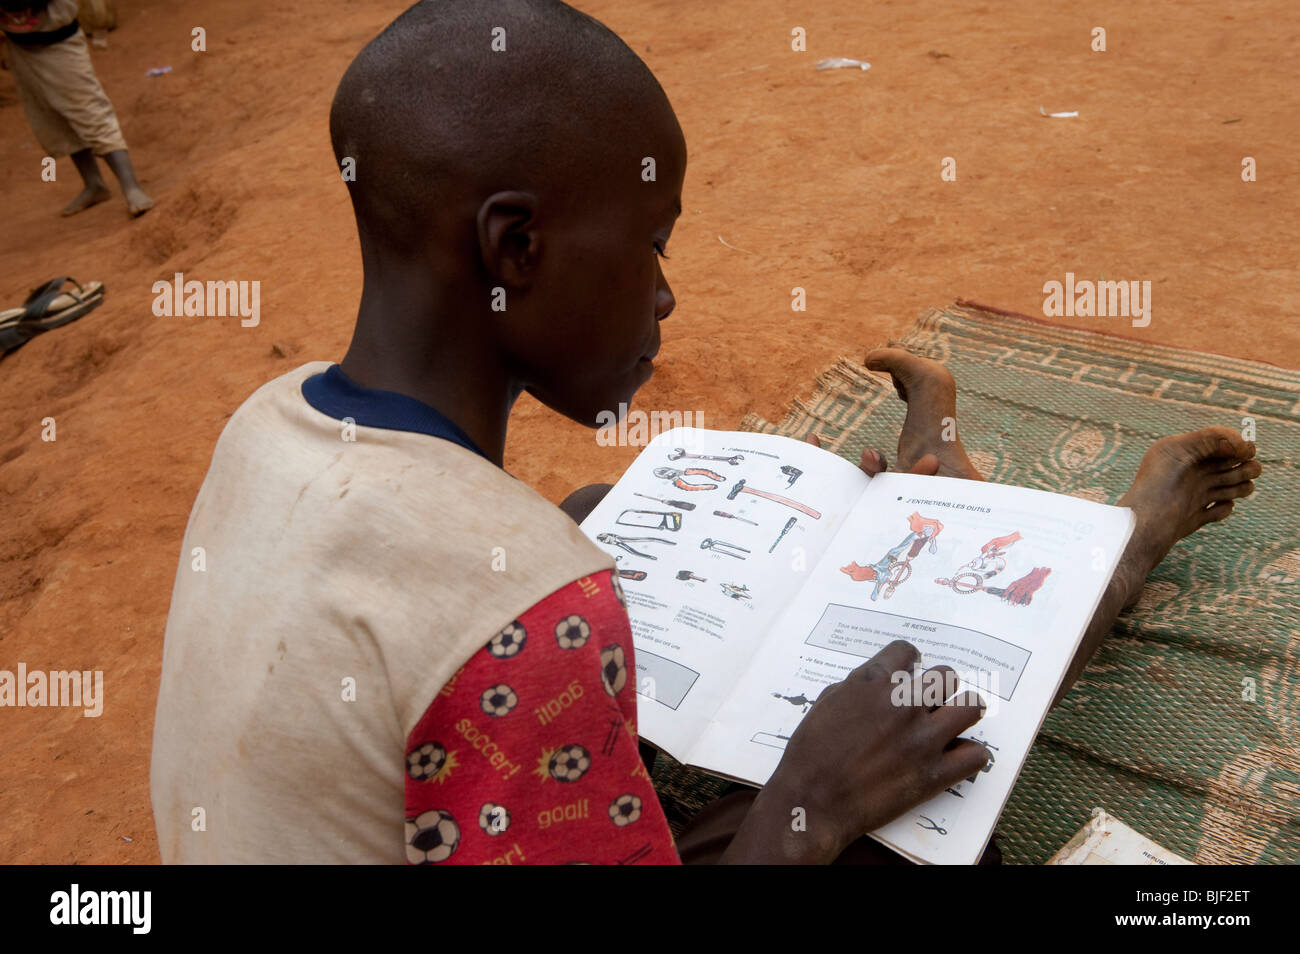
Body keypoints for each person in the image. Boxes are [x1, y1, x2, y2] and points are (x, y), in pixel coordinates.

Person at [150, 0, 1260, 865]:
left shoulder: (269, 418)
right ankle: (1109, 557)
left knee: (601, 527)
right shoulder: (531, 617)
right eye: (651, 243)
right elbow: (487, 629)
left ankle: (938, 508)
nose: (666, 297)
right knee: (911, 817)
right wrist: (810, 806)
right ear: (515, 249)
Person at [1, 0, 153, 216]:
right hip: (21, 48)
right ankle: (93, 183)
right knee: (53, 116)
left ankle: (132, 188)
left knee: (90, 111)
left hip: (60, 44)